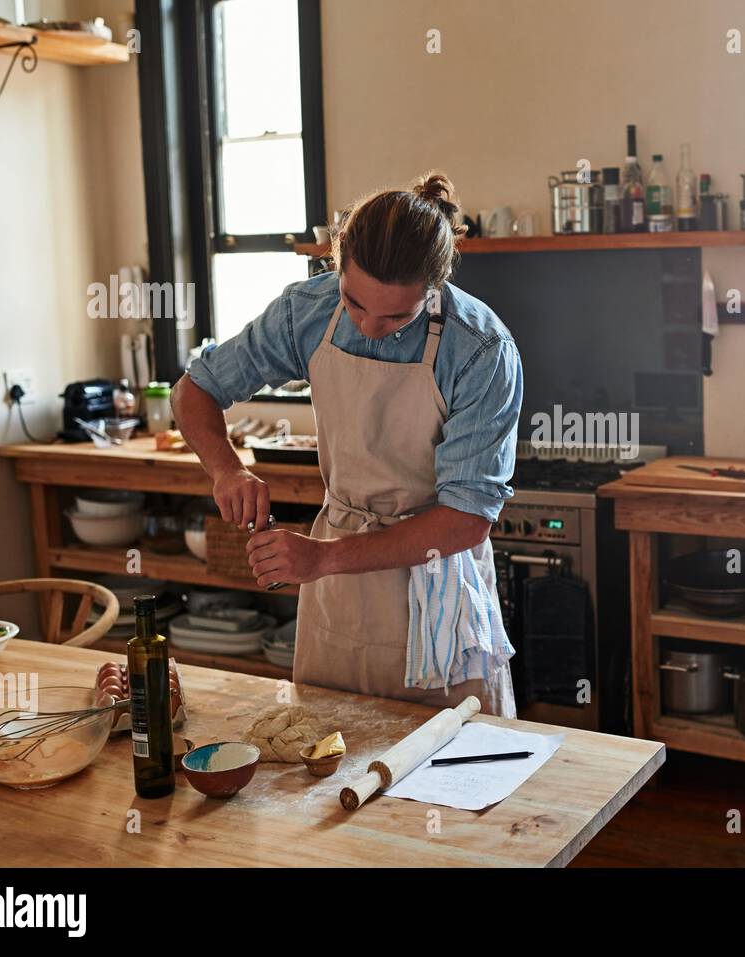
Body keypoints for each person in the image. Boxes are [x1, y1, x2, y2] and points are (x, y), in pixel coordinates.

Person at [171, 172, 521, 717]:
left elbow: (464, 520)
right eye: (354, 303)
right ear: (337, 261)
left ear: (435, 286)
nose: (370, 326)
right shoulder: (307, 311)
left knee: (451, 759)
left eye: (397, 315)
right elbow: (194, 391)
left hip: (436, 582)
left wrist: (324, 557)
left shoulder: (480, 349)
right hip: (337, 586)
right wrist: (227, 470)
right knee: (324, 752)